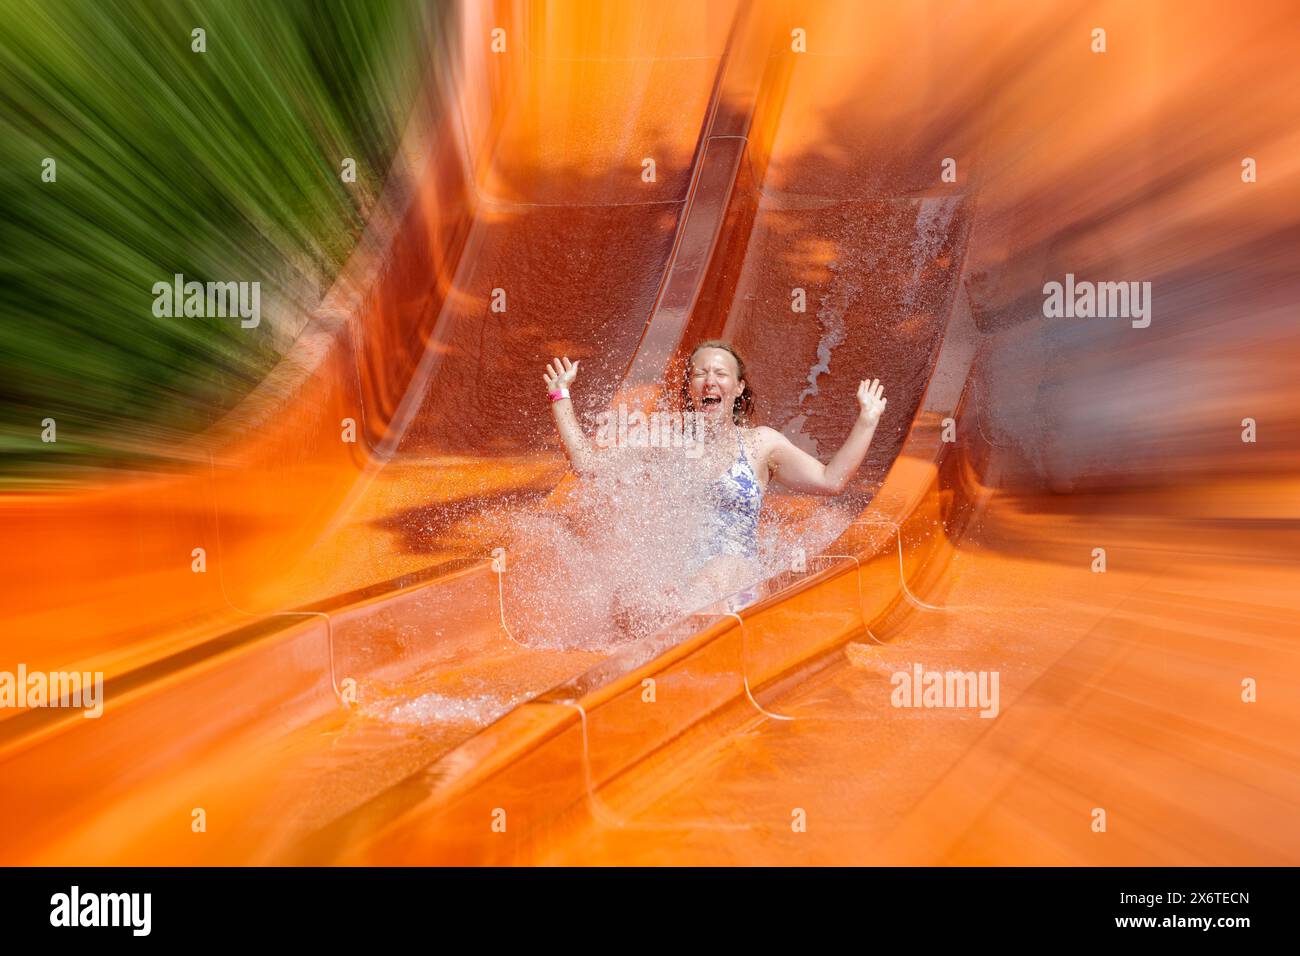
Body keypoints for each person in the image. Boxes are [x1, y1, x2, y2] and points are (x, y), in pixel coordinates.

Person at [542, 340, 887, 617]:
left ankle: (681, 615)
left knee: (723, 568)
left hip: (737, 583)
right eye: (699, 373)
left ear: (738, 388)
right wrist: (560, 397)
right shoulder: (665, 438)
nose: (709, 380)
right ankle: (667, 617)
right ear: (690, 388)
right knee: (629, 596)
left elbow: (830, 480)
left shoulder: (760, 444)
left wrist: (867, 420)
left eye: (720, 373)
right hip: (677, 581)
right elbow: (587, 465)